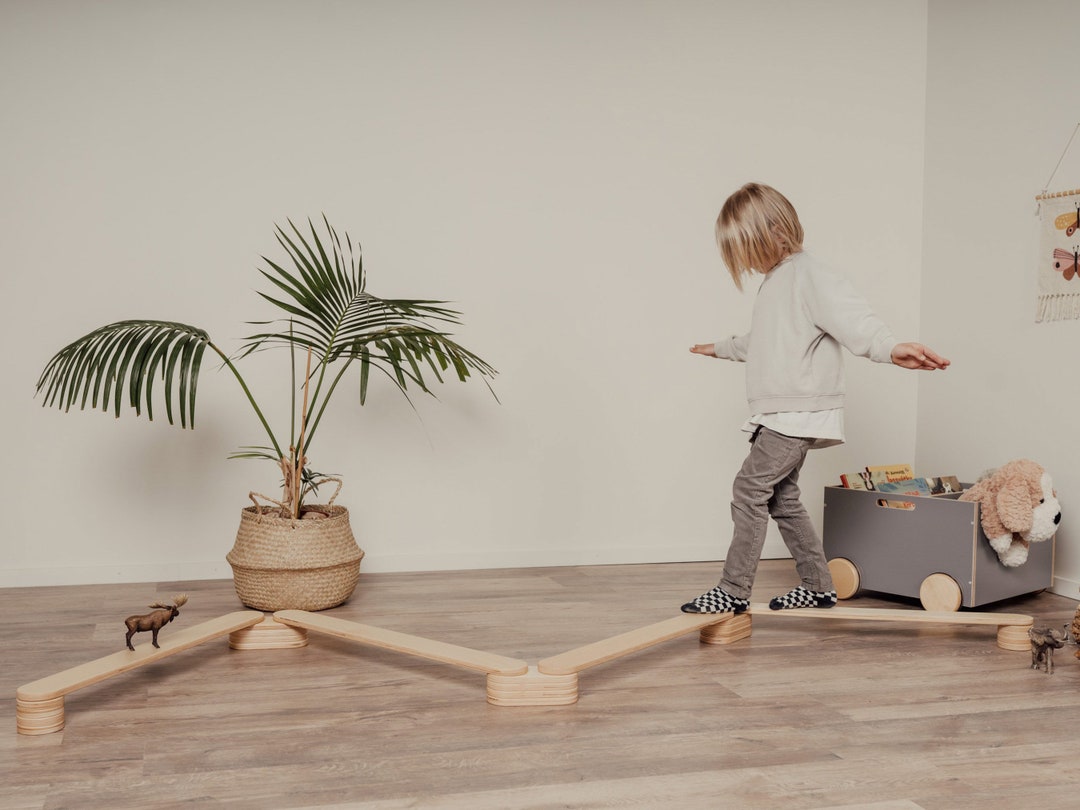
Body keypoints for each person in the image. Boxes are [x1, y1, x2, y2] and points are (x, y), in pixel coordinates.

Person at [681, 183, 949, 615]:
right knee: (781, 498)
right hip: (783, 413)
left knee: (748, 489)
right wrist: (720, 347)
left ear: (776, 231)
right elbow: (765, 341)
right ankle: (819, 586)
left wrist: (888, 347)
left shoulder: (809, 275)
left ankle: (732, 591)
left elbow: (853, 318)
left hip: (797, 413)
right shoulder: (777, 283)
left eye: (748, 248)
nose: (747, 261)